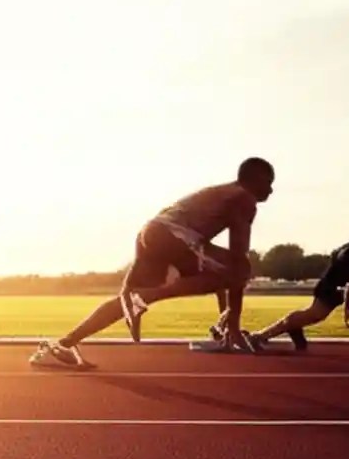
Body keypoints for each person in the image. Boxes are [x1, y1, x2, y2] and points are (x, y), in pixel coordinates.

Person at [30, 157, 276, 370]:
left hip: (151, 231)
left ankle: (61, 345)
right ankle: (153, 297)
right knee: (240, 269)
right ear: (253, 179)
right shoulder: (244, 198)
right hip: (173, 235)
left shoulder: (220, 192)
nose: (271, 190)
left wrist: (226, 315)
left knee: (128, 301)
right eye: (269, 183)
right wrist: (233, 324)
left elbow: (219, 270)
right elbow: (237, 258)